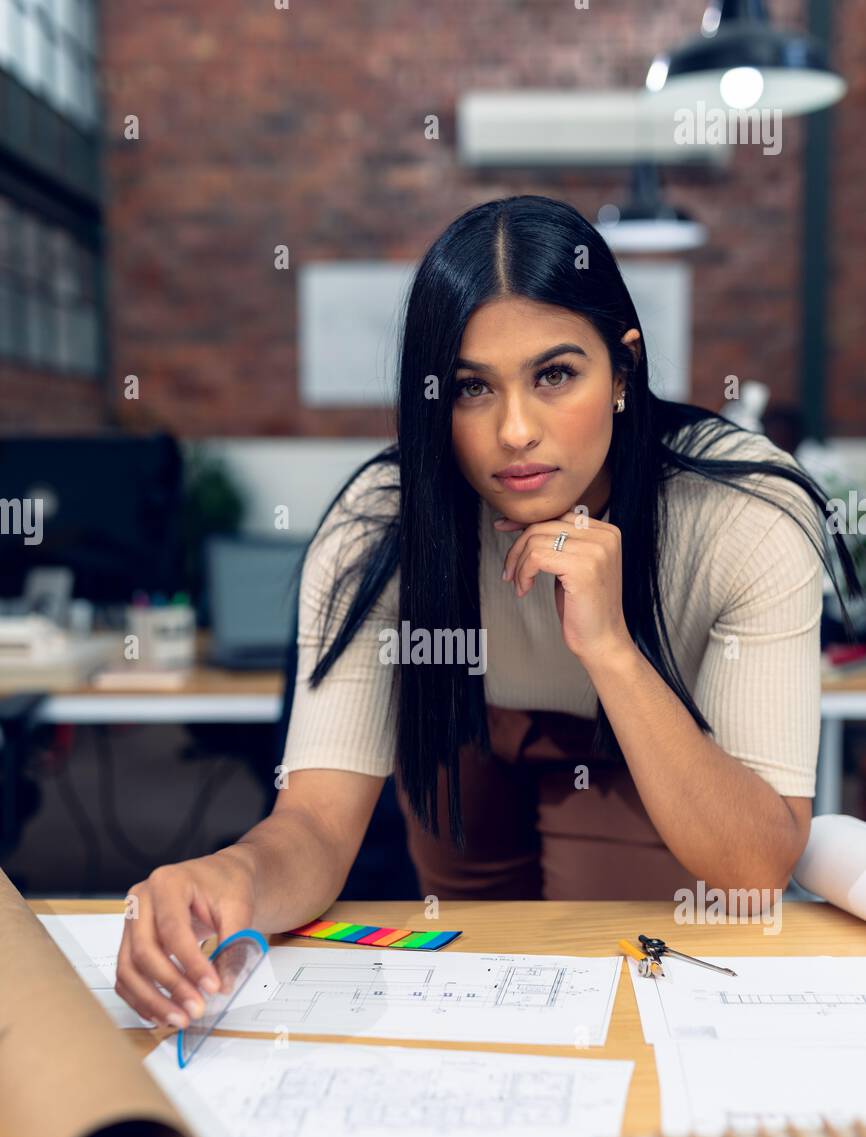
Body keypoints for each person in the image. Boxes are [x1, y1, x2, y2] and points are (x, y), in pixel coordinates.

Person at [115, 194, 857, 1029]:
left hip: (646, 752)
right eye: (473, 388)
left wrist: (610, 647)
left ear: (623, 370)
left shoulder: (743, 514)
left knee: (615, 983)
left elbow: (757, 865)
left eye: (555, 375)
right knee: (481, 984)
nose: (514, 431)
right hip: (465, 743)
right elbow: (317, 825)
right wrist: (235, 875)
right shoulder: (378, 525)